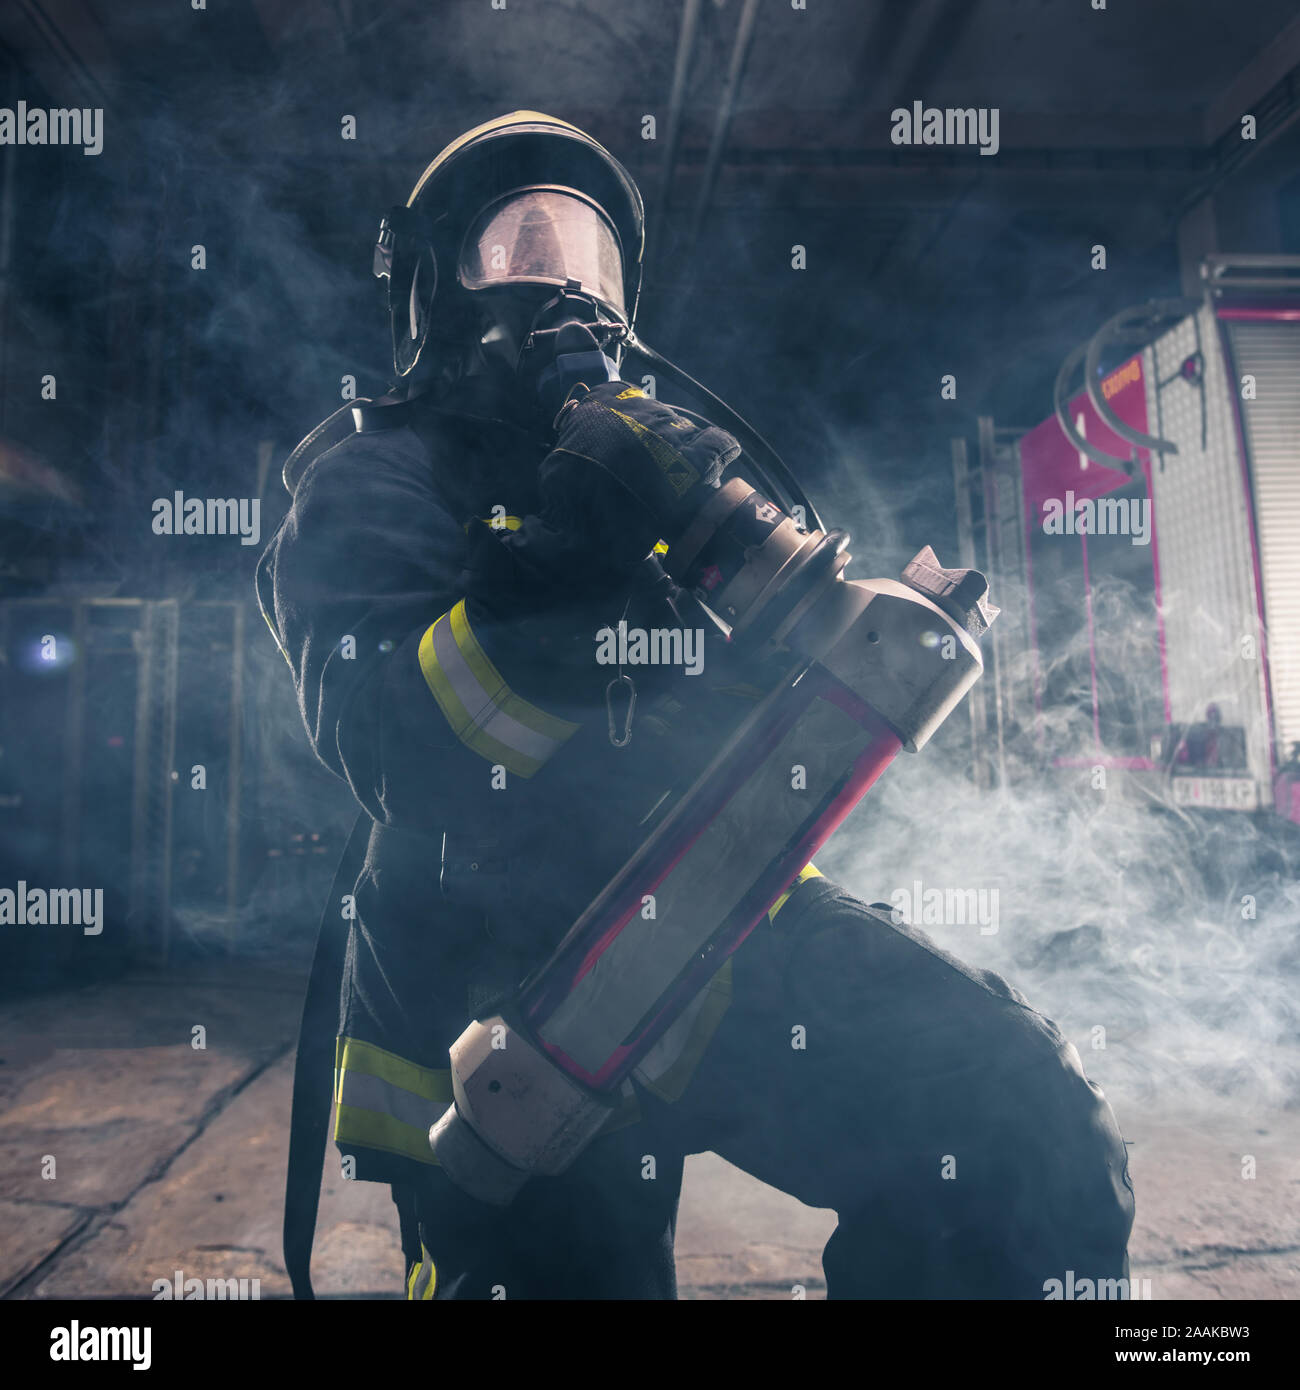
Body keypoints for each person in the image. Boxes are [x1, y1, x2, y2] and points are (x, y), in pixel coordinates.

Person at [257, 111, 1134, 1300]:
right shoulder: (371, 478)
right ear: (434, 292)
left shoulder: (651, 463)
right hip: (493, 997)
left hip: (711, 922)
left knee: (1027, 1131)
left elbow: (739, 710)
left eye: (592, 258)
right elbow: (399, 749)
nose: (567, 286)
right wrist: (563, 558)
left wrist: (865, 646)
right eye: (521, 249)